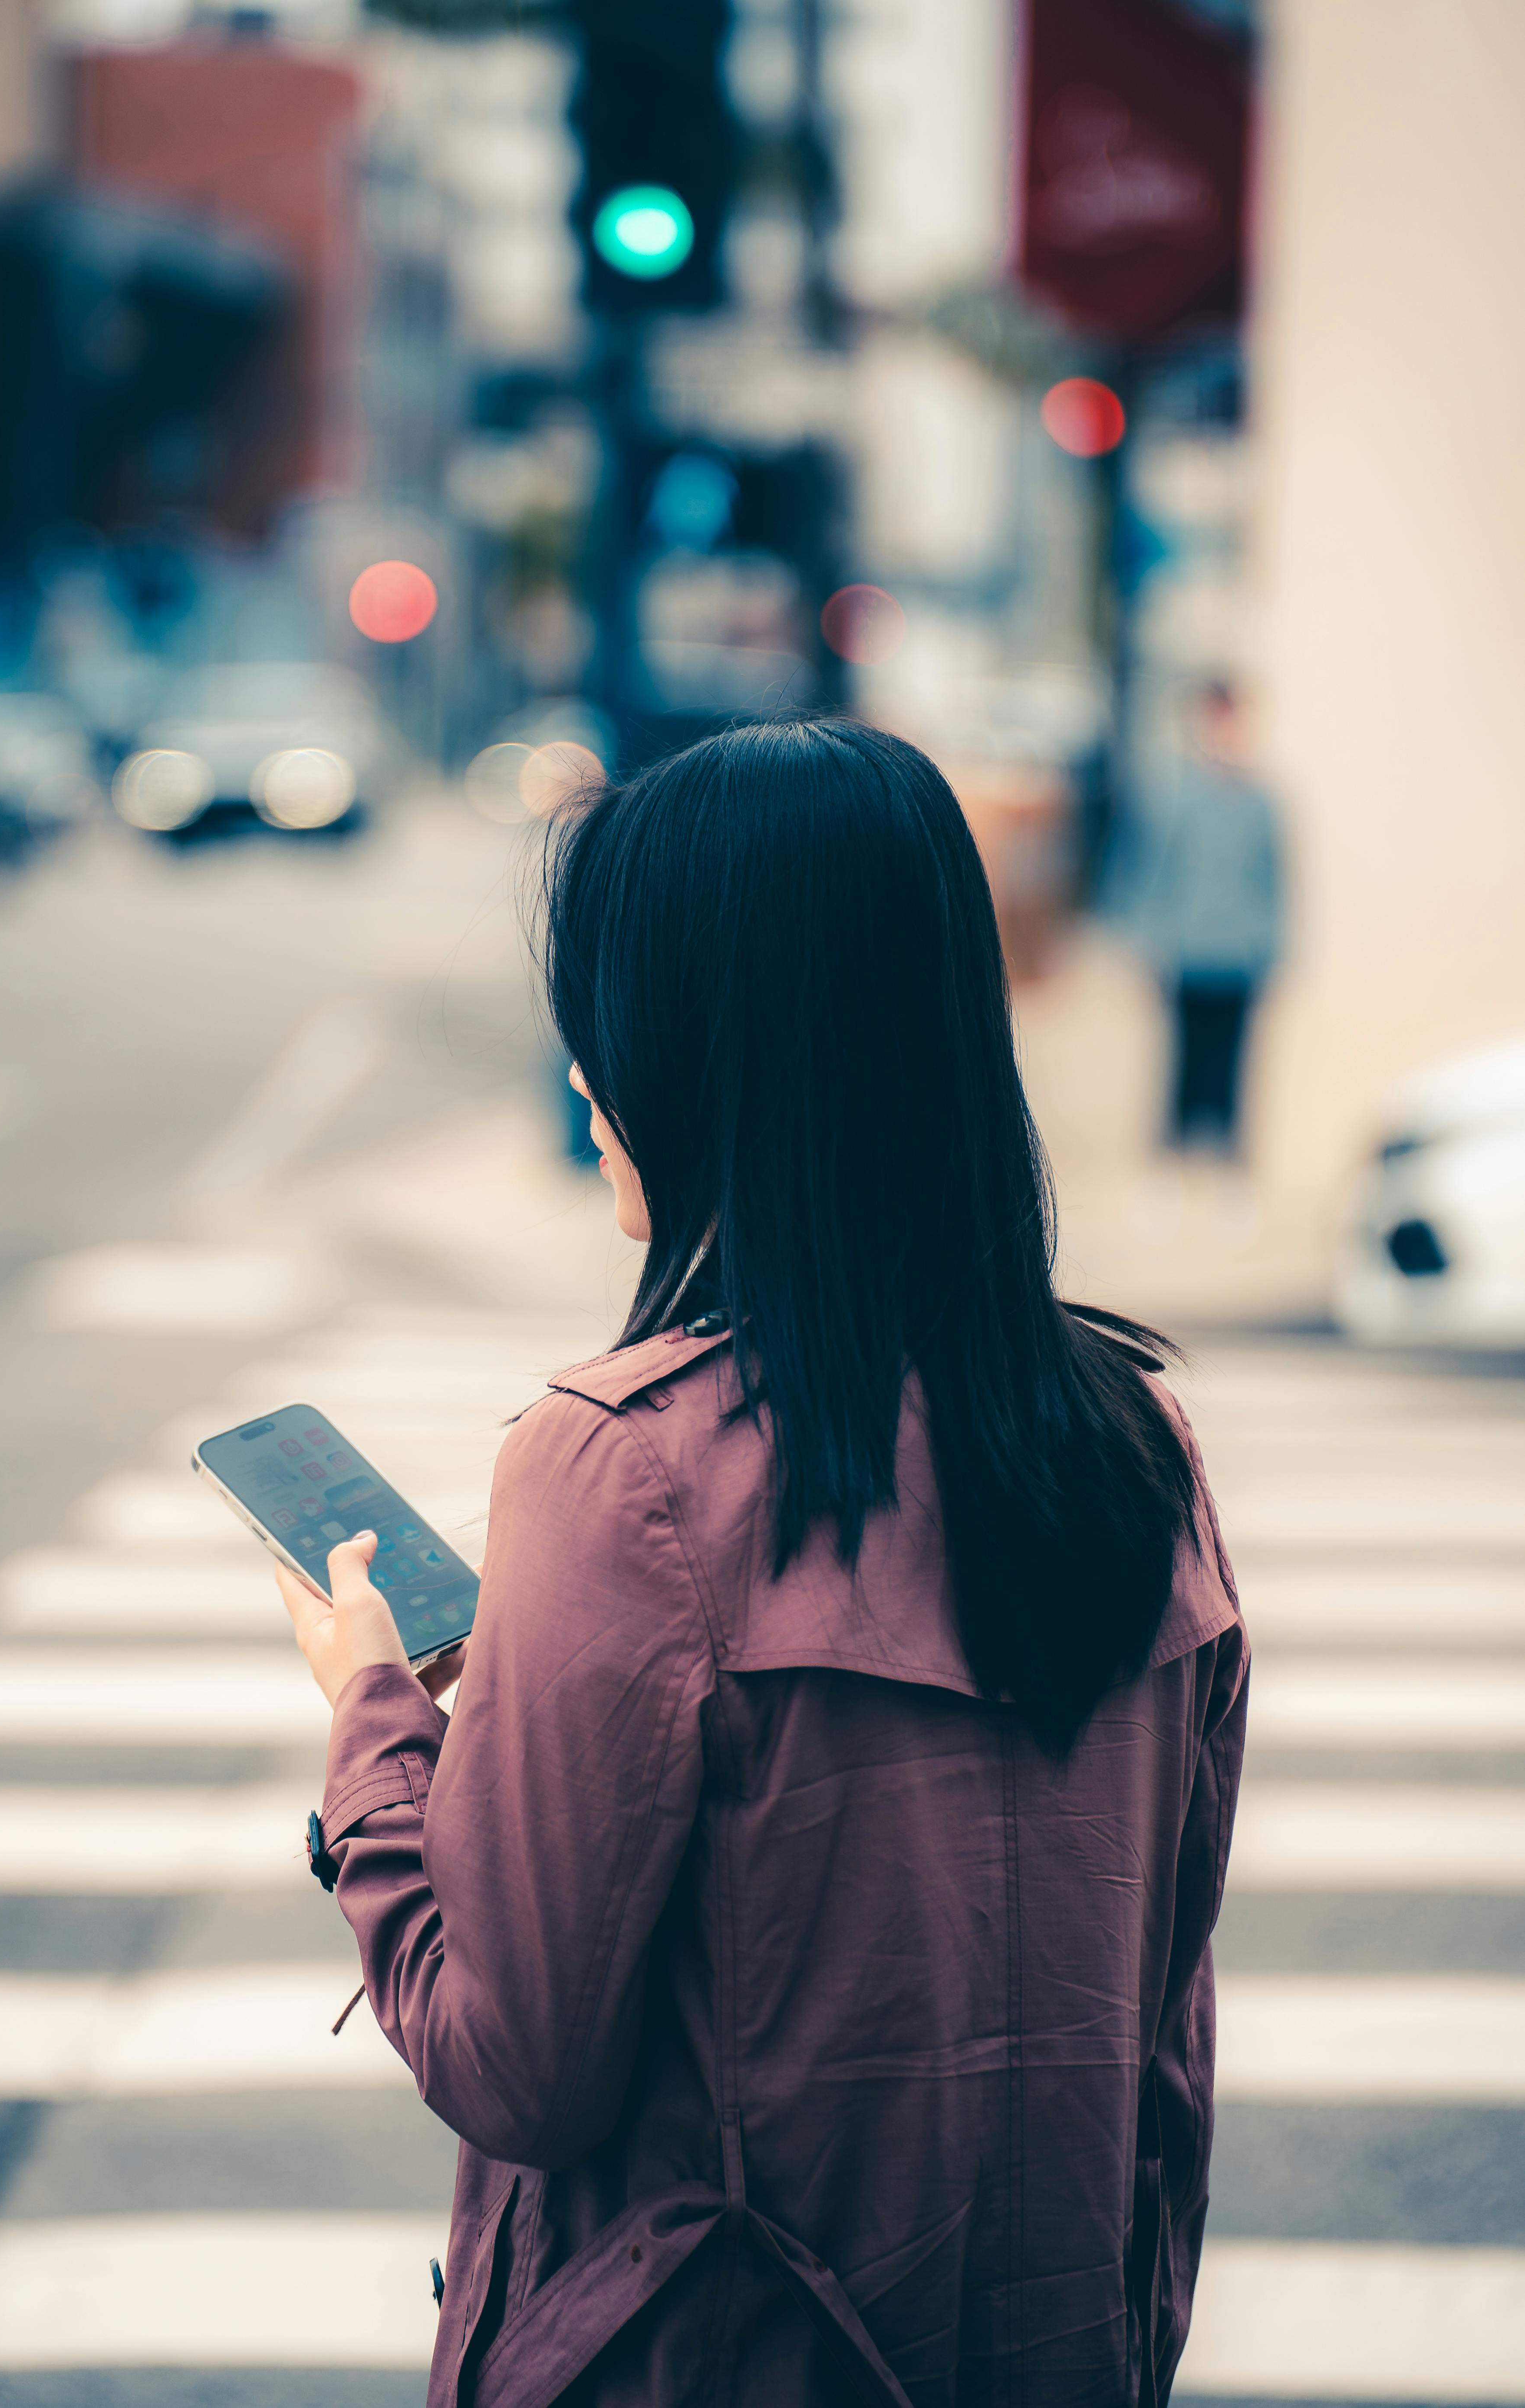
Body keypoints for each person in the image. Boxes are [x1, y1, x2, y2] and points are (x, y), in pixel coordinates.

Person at [278, 718, 1248, 2408]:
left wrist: (377, 1712)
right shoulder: (1134, 1440)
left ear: (698, 1052)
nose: (584, 1075)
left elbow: (514, 2066)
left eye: (605, 1020)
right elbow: (1161, 2026)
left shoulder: (619, 1466)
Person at [1126, 679, 1286, 1151]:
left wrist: (1271, 946)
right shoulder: (1172, 795)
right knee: (1183, 1060)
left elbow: (1274, 878)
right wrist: (1149, 941)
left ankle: (1228, 1153)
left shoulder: (1261, 801)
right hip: (1186, 949)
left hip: (1239, 954)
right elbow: (1151, 872)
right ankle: (1173, 1151)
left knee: (1232, 1063)